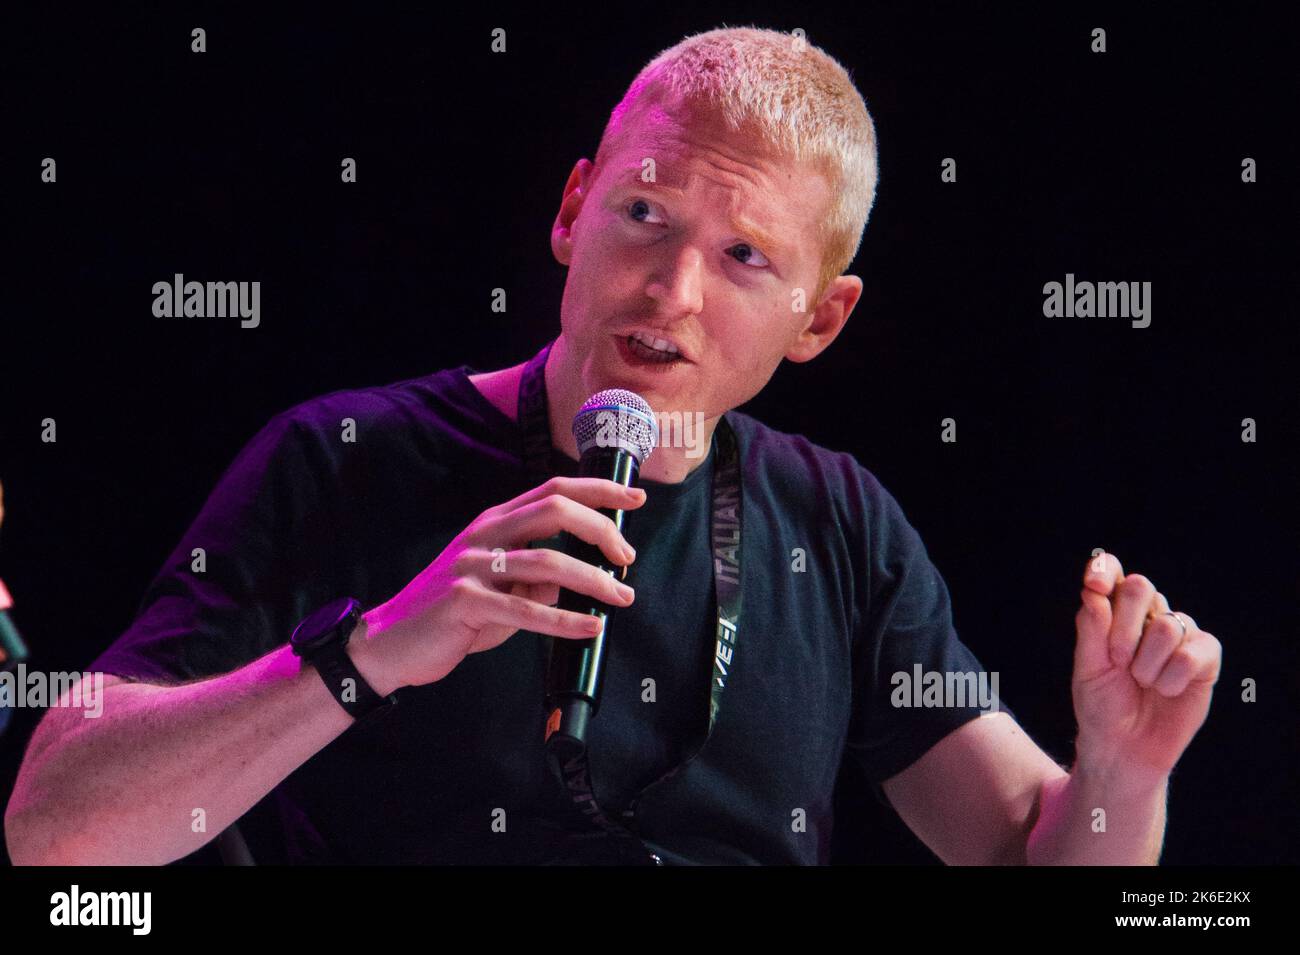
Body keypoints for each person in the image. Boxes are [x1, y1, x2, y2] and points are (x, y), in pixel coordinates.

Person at [4, 26, 1220, 866]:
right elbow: (56, 834)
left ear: (822, 317)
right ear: (574, 209)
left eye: (745, 256)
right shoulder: (343, 457)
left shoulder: (840, 525)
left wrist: (1121, 768)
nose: (671, 290)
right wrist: (370, 650)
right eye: (643, 213)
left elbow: (1030, 852)